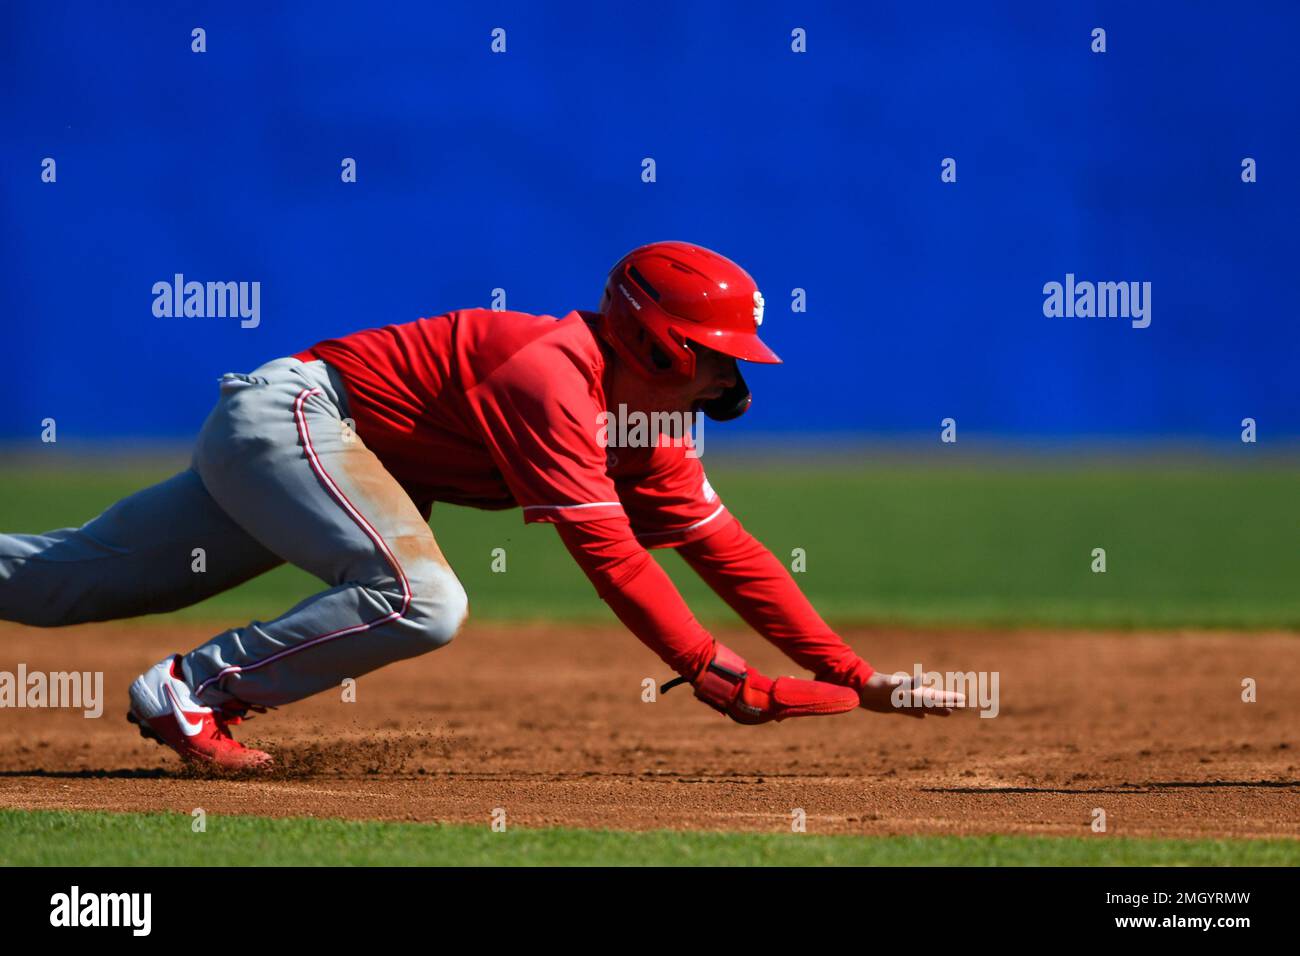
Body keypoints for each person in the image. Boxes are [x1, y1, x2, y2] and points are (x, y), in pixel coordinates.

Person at [0, 241, 962, 769]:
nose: (729, 377)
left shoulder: (648, 425)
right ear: (662, 344)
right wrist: (710, 671)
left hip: (307, 447)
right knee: (423, 600)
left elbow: (724, 548)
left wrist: (856, 673)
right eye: (716, 355)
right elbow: (616, 558)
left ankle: (186, 683)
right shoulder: (554, 378)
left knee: (59, 583)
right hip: (293, 421)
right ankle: (191, 688)